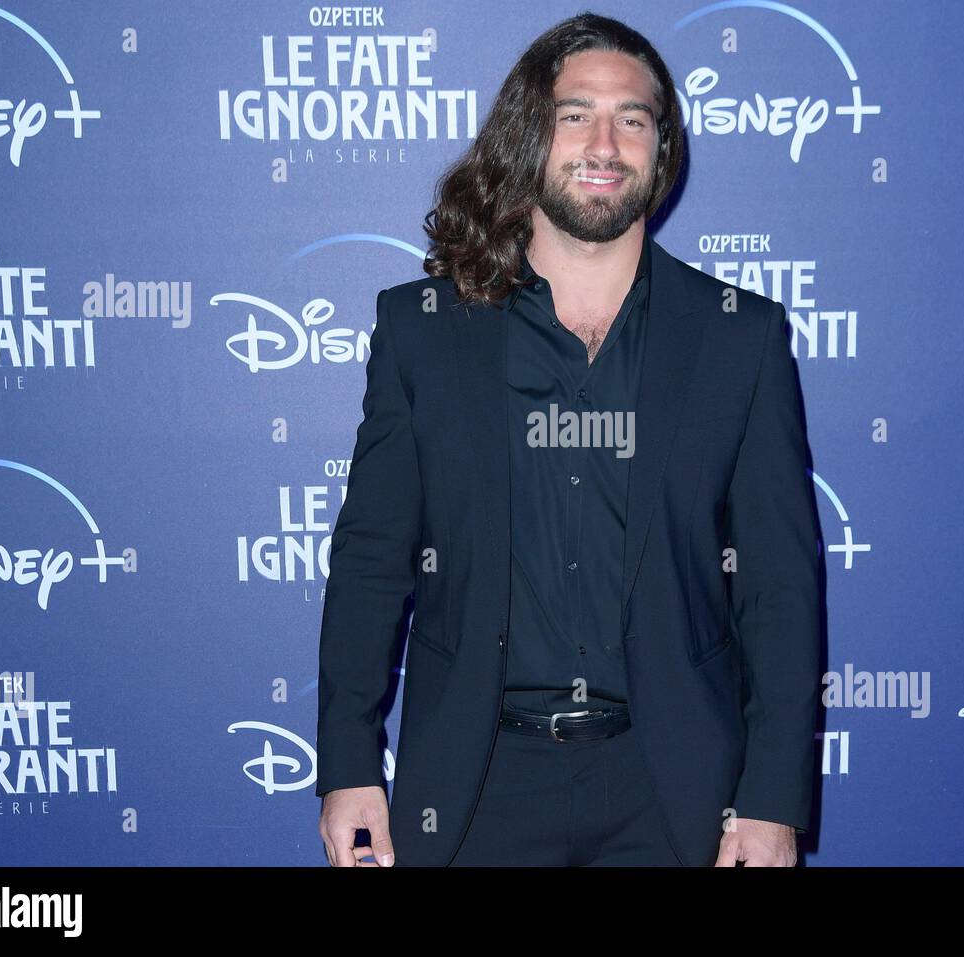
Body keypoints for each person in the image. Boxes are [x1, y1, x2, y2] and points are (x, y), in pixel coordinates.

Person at [316, 11, 823, 867]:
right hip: (477, 784)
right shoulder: (424, 330)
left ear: (662, 151)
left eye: (634, 119)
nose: (605, 142)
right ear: (528, 134)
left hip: (672, 788)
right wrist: (349, 763)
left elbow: (777, 584)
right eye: (574, 114)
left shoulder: (740, 337)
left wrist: (771, 797)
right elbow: (372, 559)